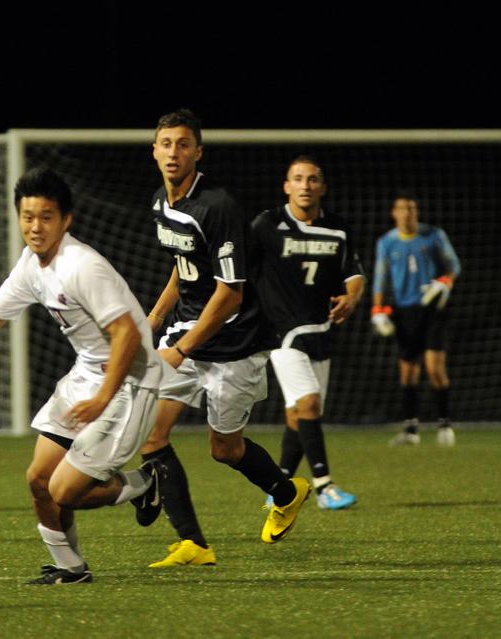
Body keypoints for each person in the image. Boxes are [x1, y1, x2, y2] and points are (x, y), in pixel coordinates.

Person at [0, 168, 162, 584]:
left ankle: (141, 484)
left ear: (66, 220)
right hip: (87, 376)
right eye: (27, 216)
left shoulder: (82, 266)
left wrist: (102, 399)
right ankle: (69, 567)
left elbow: (128, 333)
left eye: (45, 217)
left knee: (63, 490)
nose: (34, 227)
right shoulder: (31, 264)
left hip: (130, 382)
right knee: (38, 479)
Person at [138, 109, 311, 568]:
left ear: (198, 152)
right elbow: (183, 265)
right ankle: (193, 543)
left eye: (182, 144)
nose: (173, 152)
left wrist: (181, 348)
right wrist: (155, 318)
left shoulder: (218, 207)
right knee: (149, 433)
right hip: (188, 332)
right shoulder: (161, 202)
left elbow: (230, 294)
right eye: (165, 143)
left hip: (234, 342)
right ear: (154, 150)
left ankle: (286, 491)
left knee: (224, 449)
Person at [251, 156, 364, 511]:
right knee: (309, 403)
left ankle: (279, 485)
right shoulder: (266, 225)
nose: (305, 185)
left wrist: (352, 297)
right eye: (298, 179)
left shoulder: (338, 229)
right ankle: (324, 486)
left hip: (322, 331)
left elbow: (355, 275)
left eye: (313, 179)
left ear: (323, 187)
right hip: (283, 335)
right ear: (286, 186)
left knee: (299, 414)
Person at [372, 193, 461, 446]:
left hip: (432, 309)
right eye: (402, 209)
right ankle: (411, 429)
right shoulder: (386, 242)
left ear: (416, 212)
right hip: (404, 311)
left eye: (412, 208)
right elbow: (380, 277)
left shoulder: (434, 235)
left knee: (434, 368)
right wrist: (377, 310)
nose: (407, 213)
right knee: (408, 372)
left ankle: (444, 424)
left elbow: (453, 265)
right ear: (394, 213)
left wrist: (445, 282)